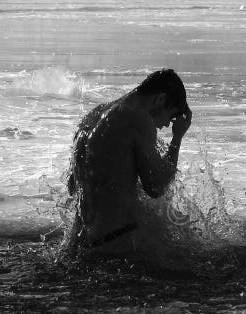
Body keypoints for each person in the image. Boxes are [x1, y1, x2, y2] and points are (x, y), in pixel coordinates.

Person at [65, 69, 192, 256]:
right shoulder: (137, 118)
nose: (167, 125)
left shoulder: (93, 116)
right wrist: (177, 138)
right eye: (171, 117)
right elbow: (156, 186)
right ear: (160, 99)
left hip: (80, 243)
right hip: (118, 242)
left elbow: (72, 186)